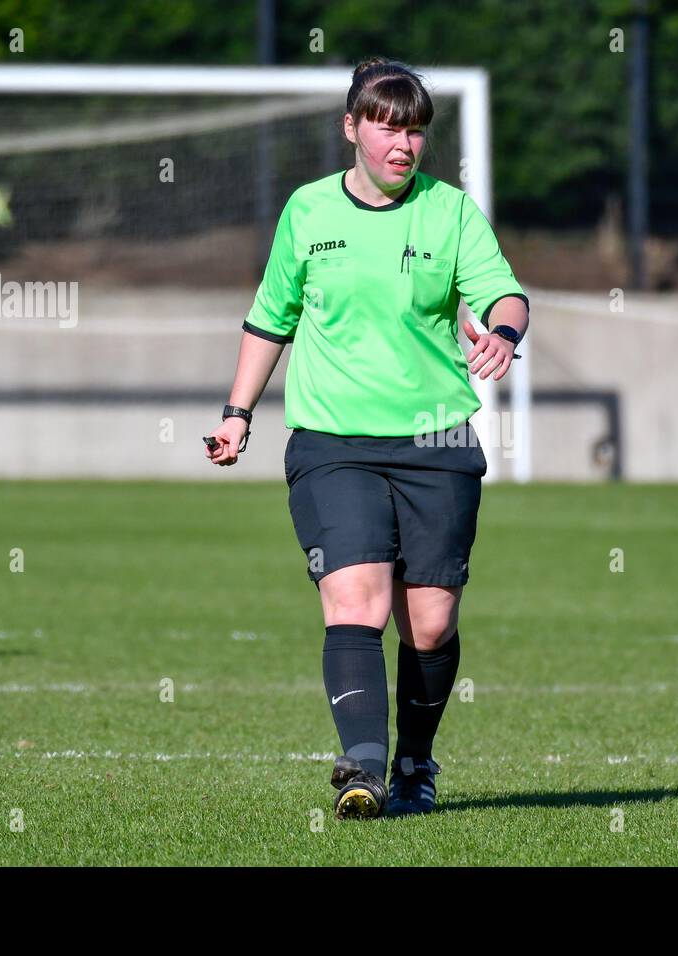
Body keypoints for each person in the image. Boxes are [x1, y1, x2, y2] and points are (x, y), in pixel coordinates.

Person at [205, 57, 529, 819]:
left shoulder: (449, 213)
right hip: (332, 442)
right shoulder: (308, 212)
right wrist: (237, 413)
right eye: (386, 125)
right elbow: (270, 317)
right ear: (352, 127)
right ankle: (365, 767)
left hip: (435, 442)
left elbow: (504, 293)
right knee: (356, 597)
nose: (402, 143)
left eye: (414, 129)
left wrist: (507, 333)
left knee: (432, 619)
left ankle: (417, 762)